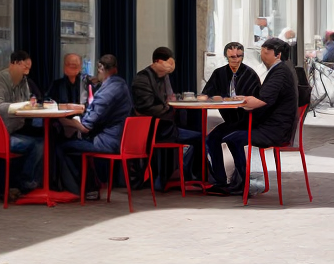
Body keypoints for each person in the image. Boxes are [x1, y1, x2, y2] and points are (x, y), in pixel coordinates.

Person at [209, 37, 299, 194]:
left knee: (232, 138)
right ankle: (229, 182)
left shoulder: (279, 72)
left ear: (277, 55)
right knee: (220, 136)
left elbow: (261, 101)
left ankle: (242, 184)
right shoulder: (280, 70)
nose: (262, 56)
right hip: (268, 124)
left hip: (274, 129)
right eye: (261, 52)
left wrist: (242, 100)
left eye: (266, 53)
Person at [56, 54, 133, 196]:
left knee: (61, 146)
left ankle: (82, 189)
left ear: (101, 68)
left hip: (107, 143)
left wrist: (66, 121)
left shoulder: (106, 92)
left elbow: (86, 127)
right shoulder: (121, 84)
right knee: (72, 142)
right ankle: (87, 186)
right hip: (120, 139)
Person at [132, 46, 201, 186]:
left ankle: (187, 174)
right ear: (157, 61)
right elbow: (146, 107)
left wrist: (173, 103)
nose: (170, 68)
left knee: (200, 135)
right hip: (155, 129)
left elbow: (169, 98)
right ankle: (187, 175)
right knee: (200, 138)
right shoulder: (142, 79)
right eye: (168, 64)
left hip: (167, 125)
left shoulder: (165, 78)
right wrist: (169, 107)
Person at [0, 50, 43, 198]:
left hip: (15, 129)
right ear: (14, 63)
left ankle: (26, 183)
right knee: (36, 145)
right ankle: (26, 184)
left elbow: (28, 102)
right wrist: (20, 106)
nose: (26, 71)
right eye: (24, 67)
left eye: (29, 68)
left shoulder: (23, 82)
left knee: (44, 139)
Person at [200, 41, 261, 182]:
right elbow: (206, 94)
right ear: (226, 57)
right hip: (231, 120)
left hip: (247, 120)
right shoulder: (219, 73)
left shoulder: (250, 75)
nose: (236, 59)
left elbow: (258, 101)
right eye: (232, 57)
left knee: (231, 139)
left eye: (239, 56)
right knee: (211, 139)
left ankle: (242, 180)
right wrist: (212, 97)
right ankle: (220, 179)